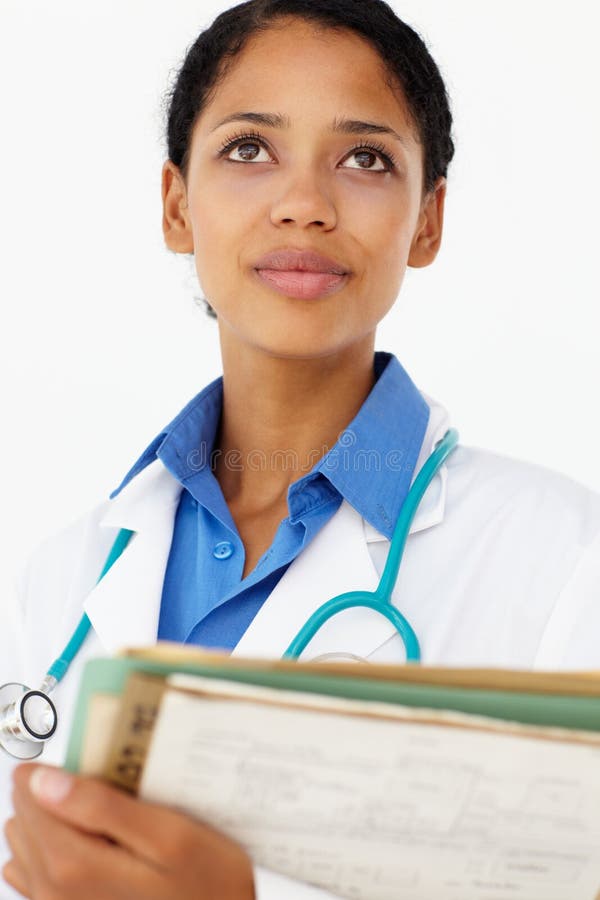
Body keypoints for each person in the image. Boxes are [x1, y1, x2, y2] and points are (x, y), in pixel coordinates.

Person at [2, 0, 600, 897]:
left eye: (365, 158)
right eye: (249, 148)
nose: (304, 204)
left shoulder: (564, 563)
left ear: (426, 220)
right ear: (176, 205)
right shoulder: (65, 578)